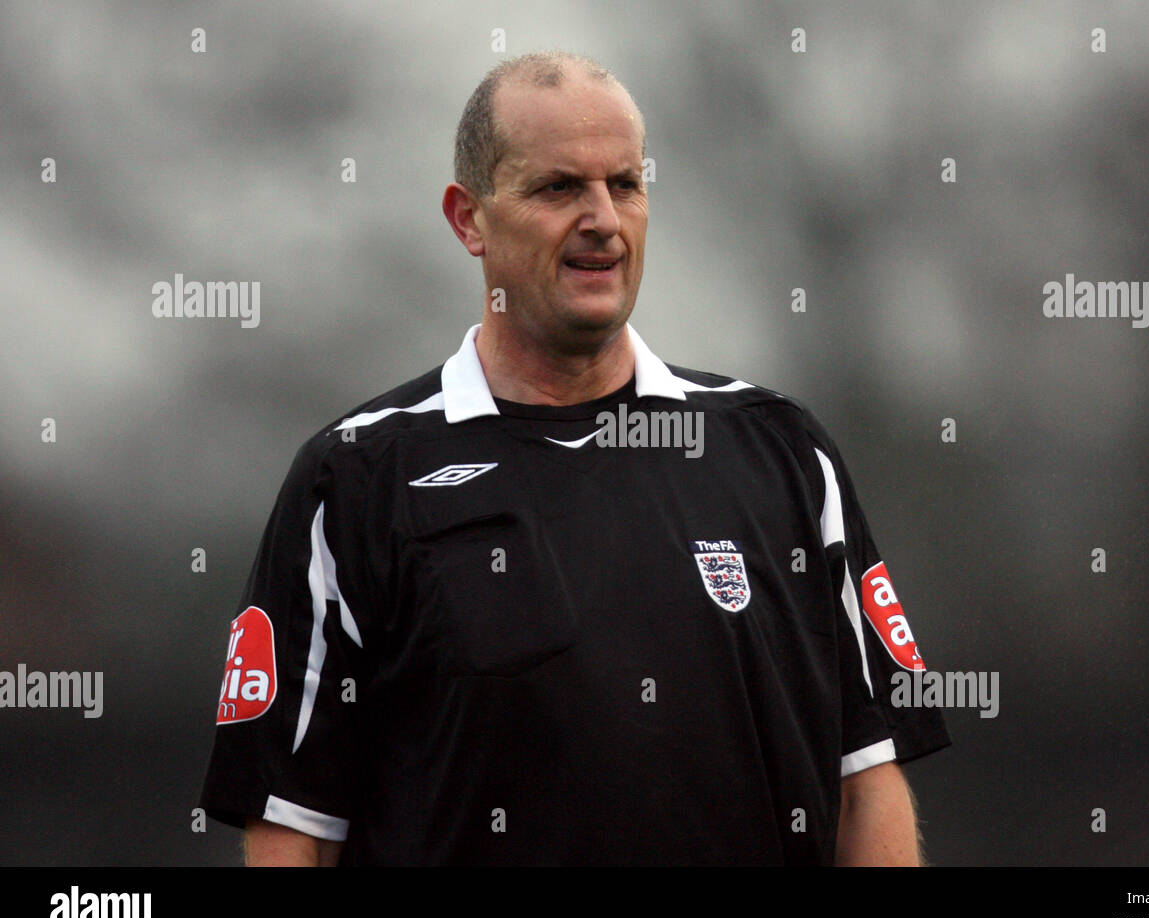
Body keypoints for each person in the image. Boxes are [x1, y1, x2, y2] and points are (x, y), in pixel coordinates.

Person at [199, 51, 950, 866]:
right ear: (468, 219)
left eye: (624, 184)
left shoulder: (781, 451)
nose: (602, 218)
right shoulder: (355, 480)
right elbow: (289, 826)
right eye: (558, 188)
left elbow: (866, 781)